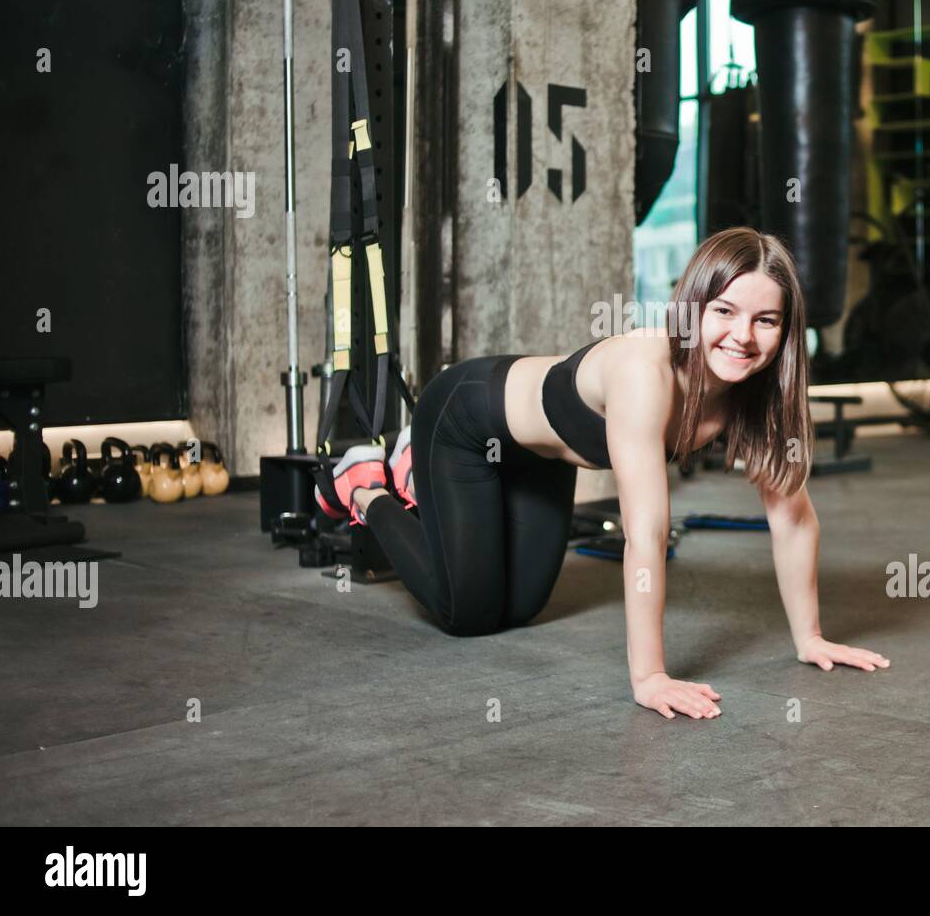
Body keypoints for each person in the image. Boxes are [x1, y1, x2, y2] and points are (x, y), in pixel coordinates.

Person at [318, 227, 890, 719]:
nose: (743, 336)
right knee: (466, 615)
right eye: (724, 311)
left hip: (542, 456)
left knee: (518, 610)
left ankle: (406, 487)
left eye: (765, 320)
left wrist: (809, 637)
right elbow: (644, 537)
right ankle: (367, 484)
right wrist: (650, 677)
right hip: (465, 422)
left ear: (786, 331)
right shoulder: (648, 373)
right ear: (693, 306)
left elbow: (792, 519)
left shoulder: (760, 396)